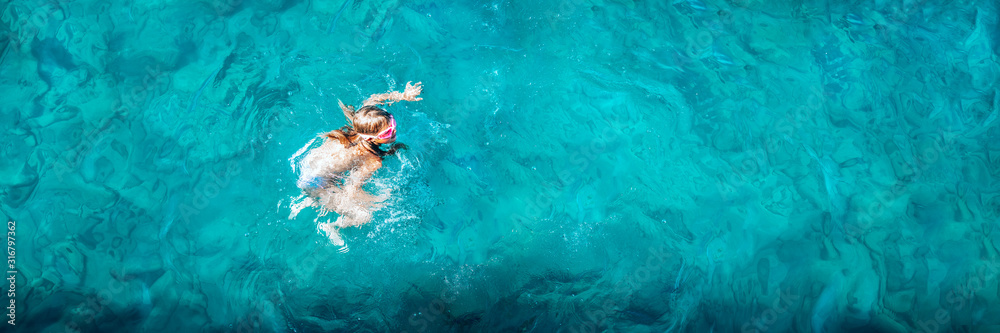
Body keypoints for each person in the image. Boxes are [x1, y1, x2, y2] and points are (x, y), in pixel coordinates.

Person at [295, 81, 423, 245]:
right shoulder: (372, 160)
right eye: (389, 131)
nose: (394, 130)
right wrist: (379, 198)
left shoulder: (363, 118)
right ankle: (331, 226)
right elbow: (351, 188)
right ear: (370, 138)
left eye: (392, 122)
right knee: (364, 216)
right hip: (316, 185)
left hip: (308, 162)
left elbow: (373, 99)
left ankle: (310, 199)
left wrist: (402, 96)